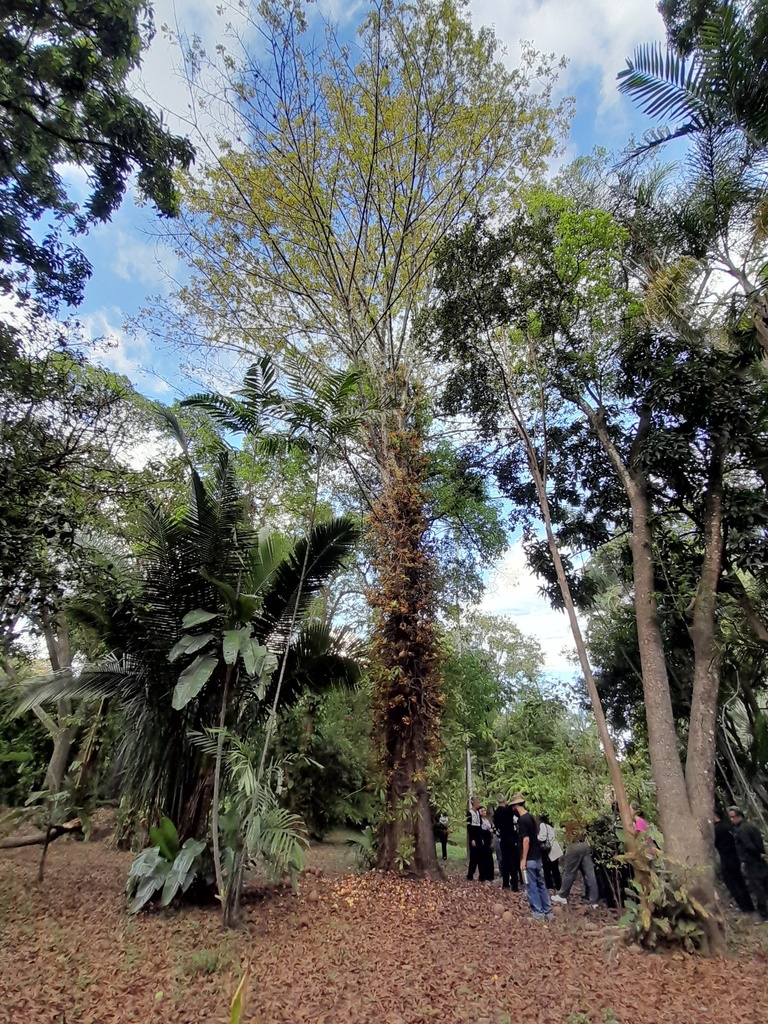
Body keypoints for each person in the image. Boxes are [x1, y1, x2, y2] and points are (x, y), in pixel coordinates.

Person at [511, 792, 553, 921]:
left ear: (515, 806)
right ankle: (548, 911)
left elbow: (526, 840)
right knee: (541, 884)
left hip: (529, 858)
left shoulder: (522, 820)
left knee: (532, 886)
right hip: (537, 856)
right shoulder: (531, 817)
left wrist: (523, 859)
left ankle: (538, 913)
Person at [550, 802, 599, 908]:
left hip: (573, 845)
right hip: (584, 844)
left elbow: (561, 824)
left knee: (569, 872)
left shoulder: (568, 812)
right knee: (590, 873)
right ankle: (594, 900)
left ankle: (562, 895)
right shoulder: (583, 812)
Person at [728, 806, 768, 919]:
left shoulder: (742, 830)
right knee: (765, 883)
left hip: (752, 861)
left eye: (733, 817)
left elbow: (749, 845)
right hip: (760, 860)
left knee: (758, 887)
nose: (731, 820)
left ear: (739, 816)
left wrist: (757, 854)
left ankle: (763, 913)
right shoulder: (751, 826)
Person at [714, 809, 753, 913]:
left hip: (727, 859)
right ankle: (749, 906)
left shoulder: (717, 829)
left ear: (715, 817)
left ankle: (744, 907)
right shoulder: (728, 826)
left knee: (732, 883)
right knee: (740, 882)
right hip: (735, 858)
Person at [493, 793, 519, 891]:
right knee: (513, 861)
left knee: (505, 861)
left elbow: (496, 825)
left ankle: (505, 883)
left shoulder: (496, 812)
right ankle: (514, 885)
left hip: (503, 839)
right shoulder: (508, 810)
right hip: (511, 838)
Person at [537, 813, 563, 891]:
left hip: (548, 849)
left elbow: (542, 837)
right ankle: (558, 885)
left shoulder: (543, 825)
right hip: (554, 848)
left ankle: (549, 885)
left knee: (547, 868)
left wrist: (536, 837)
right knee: (555, 869)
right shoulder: (551, 826)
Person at [466, 796, 483, 881]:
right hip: (473, 836)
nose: (478, 804)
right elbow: (469, 827)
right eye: (477, 803)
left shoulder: (478, 813)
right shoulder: (470, 813)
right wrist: (472, 839)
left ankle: (482, 875)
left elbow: (480, 825)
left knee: (480, 856)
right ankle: (470, 875)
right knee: (473, 857)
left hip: (479, 835)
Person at [479, 806, 495, 881]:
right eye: (482, 811)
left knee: (489, 857)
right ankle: (484, 875)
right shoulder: (480, 821)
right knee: (484, 857)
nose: (484, 812)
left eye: (484, 811)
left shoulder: (487, 820)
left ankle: (490, 875)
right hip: (484, 839)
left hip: (489, 839)